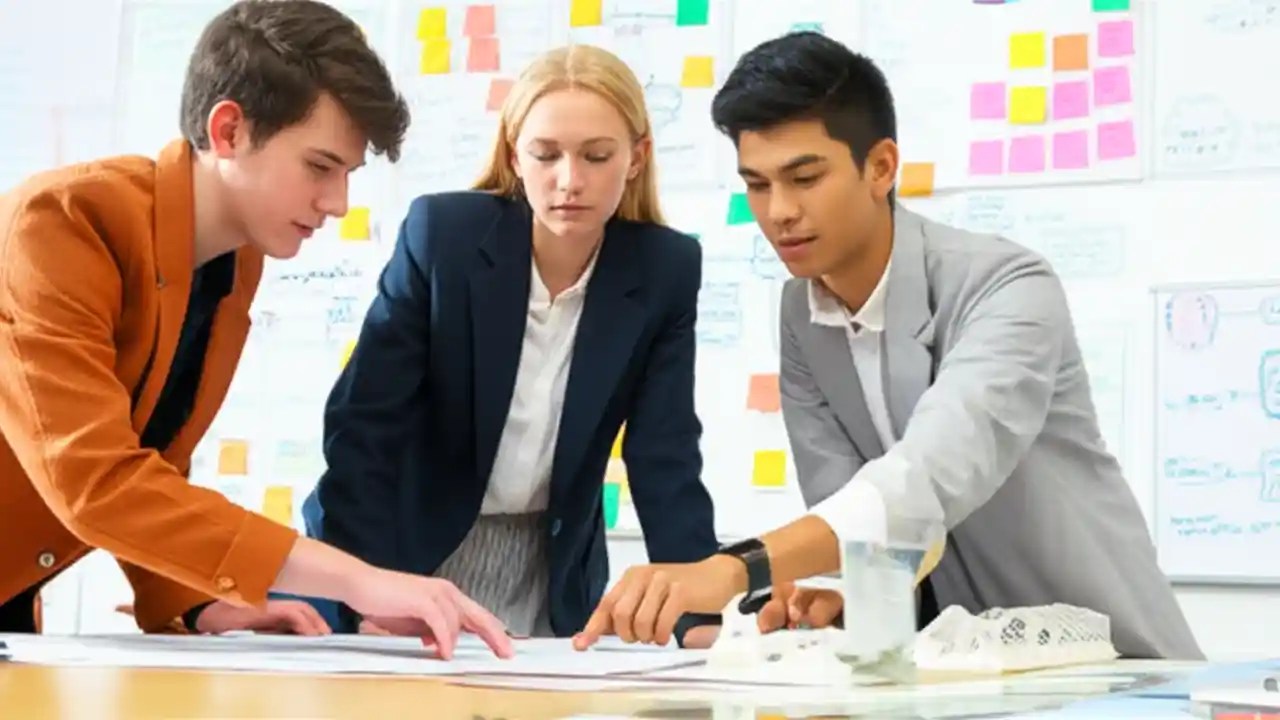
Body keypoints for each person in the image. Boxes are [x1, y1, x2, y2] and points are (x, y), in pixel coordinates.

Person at [574, 31, 1204, 660]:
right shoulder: (801, 312)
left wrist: (735, 568)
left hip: (1114, 665)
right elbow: (856, 522)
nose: (779, 212)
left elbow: (923, 482)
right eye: (758, 185)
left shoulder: (1008, 286)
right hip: (957, 671)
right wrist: (850, 598)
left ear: (881, 167)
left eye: (805, 177)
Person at [0, 0, 511, 660]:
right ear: (229, 129)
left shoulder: (235, 259)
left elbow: (152, 461)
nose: (338, 204)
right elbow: (93, 480)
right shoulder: (61, 223)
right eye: (319, 167)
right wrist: (358, 581)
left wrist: (200, 600)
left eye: (347, 176)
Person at [302, 43, 721, 647]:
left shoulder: (665, 269)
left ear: (636, 158)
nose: (569, 180)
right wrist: (362, 584)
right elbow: (364, 424)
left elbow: (666, 455)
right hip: (401, 552)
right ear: (512, 154)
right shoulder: (443, 237)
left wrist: (701, 613)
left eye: (597, 156)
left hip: (545, 569)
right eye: (545, 154)